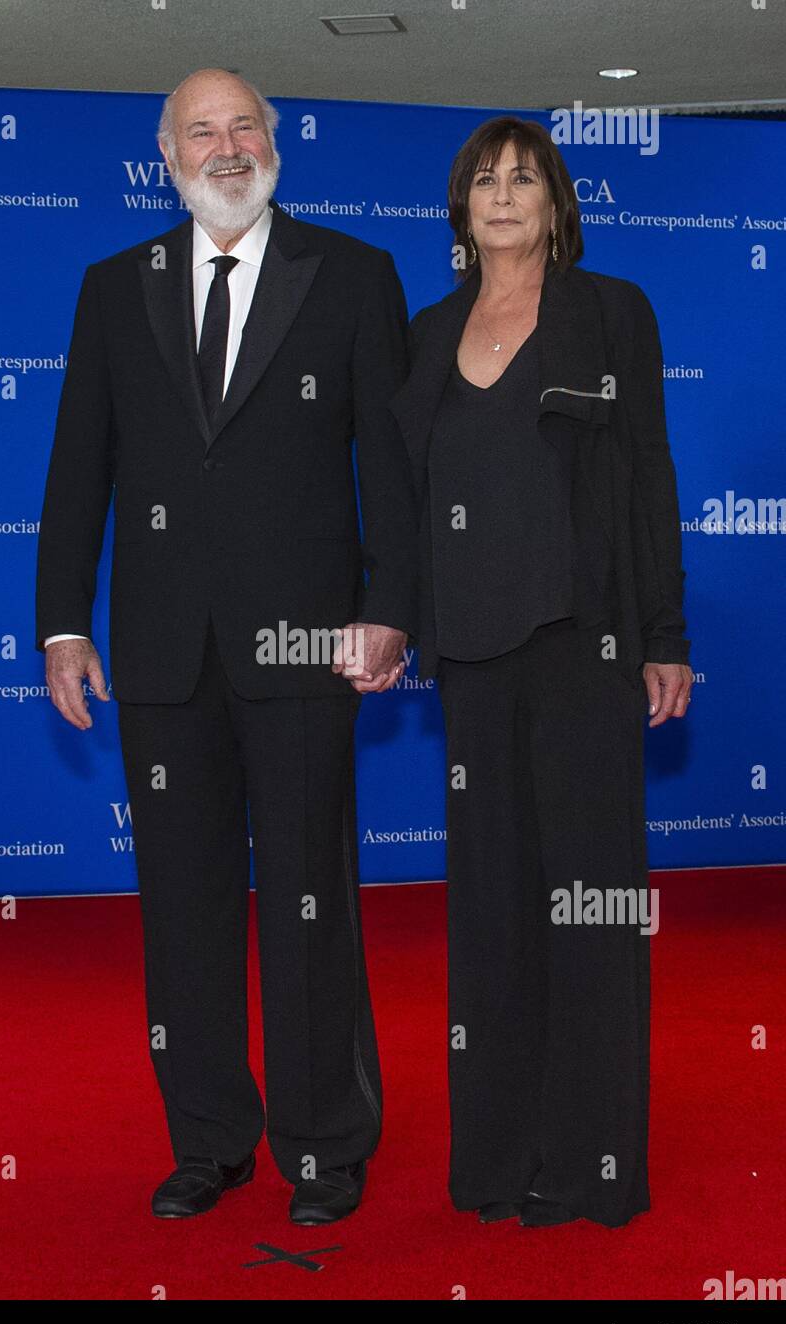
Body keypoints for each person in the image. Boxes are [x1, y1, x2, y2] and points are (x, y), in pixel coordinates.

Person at [35, 68, 417, 1224]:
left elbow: (391, 471)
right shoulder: (114, 288)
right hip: (159, 657)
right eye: (200, 130)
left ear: (275, 143)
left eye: (243, 124)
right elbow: (76, 469)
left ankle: (323, 1144)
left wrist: (392, 604)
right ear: (166, 157)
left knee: (312, 901)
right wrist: (62, 621)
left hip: (309, 648)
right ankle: (207, 1137)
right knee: (182, 908)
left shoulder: (353, 276)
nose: (225, 145)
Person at [386, 115, 693, 1228]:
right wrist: (394, 622)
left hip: (588, 649)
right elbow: (403, 506)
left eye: (524, 178)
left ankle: (591, 1163)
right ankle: (498, 1160)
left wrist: (663, 632)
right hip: (470, 659)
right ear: (461, 210)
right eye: (484, 179)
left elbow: (648, 476)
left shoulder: (612, 313)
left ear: (557, 205)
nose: (503, 194)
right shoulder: (424, 337)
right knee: (494, 912)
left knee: (591, 910)